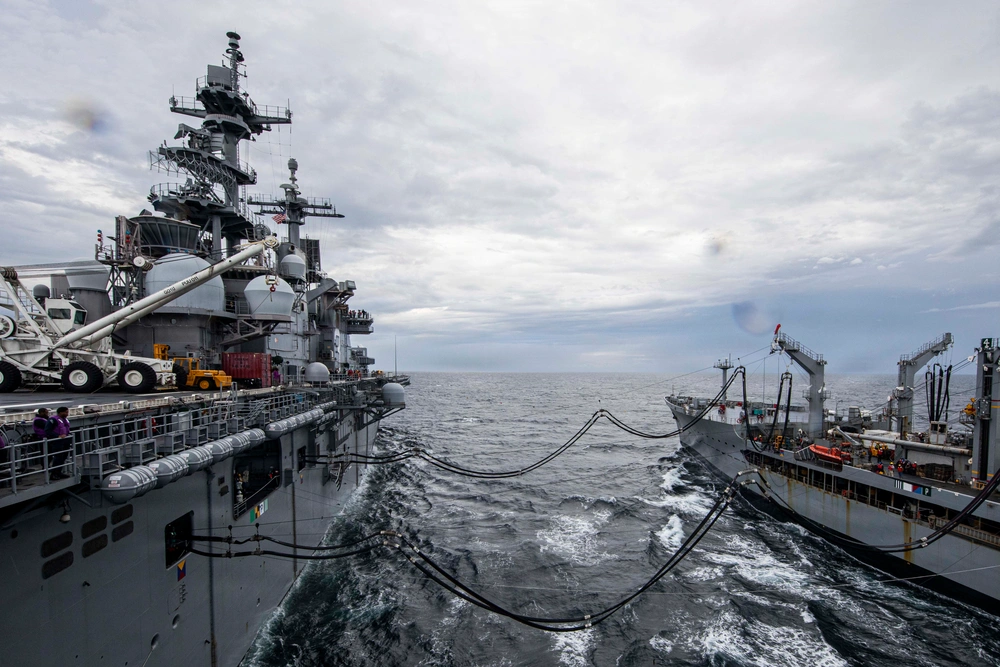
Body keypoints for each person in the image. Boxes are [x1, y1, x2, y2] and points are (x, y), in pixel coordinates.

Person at [45, 407, 73, 479]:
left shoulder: (64, 420)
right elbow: (48, 431)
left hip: (65, 441)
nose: (67, 414)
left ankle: (59, 472)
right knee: (58, 457)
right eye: (65, 412)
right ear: (60, 412)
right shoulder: (53, 420)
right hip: (57, 441)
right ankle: (54, 474)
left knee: (63, 457)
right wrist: (57, 436)